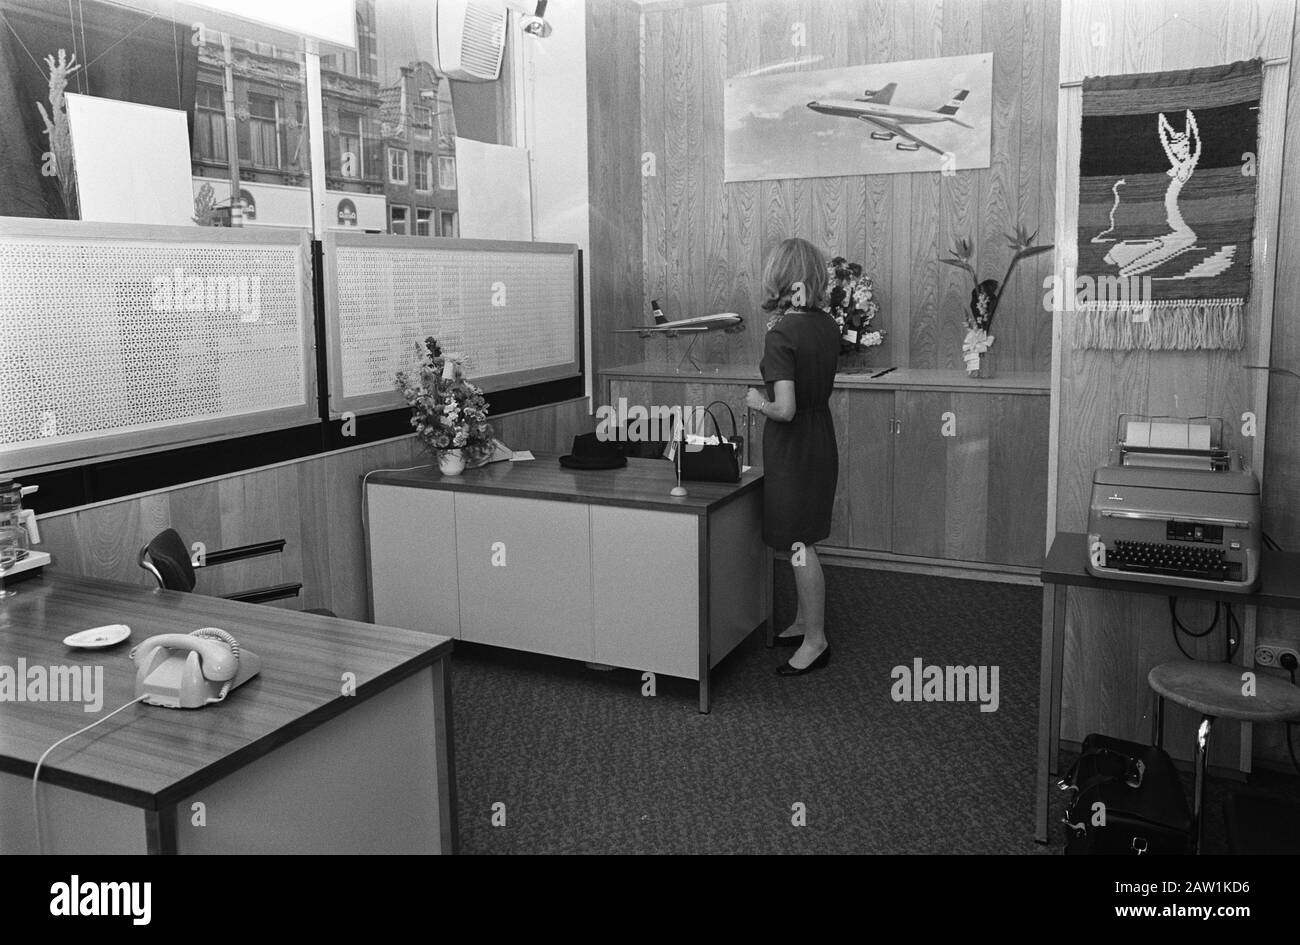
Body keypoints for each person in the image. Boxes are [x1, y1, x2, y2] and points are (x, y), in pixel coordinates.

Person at [745, 238, 840, 676]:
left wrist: (754, 401)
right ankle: (805, 620)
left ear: (780, 277)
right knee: (802, 540)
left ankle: (816, 640)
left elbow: (783, 408)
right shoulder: (826, 325)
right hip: (819, 438)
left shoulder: (782, 332)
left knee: (800, 544)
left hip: (793, 443)